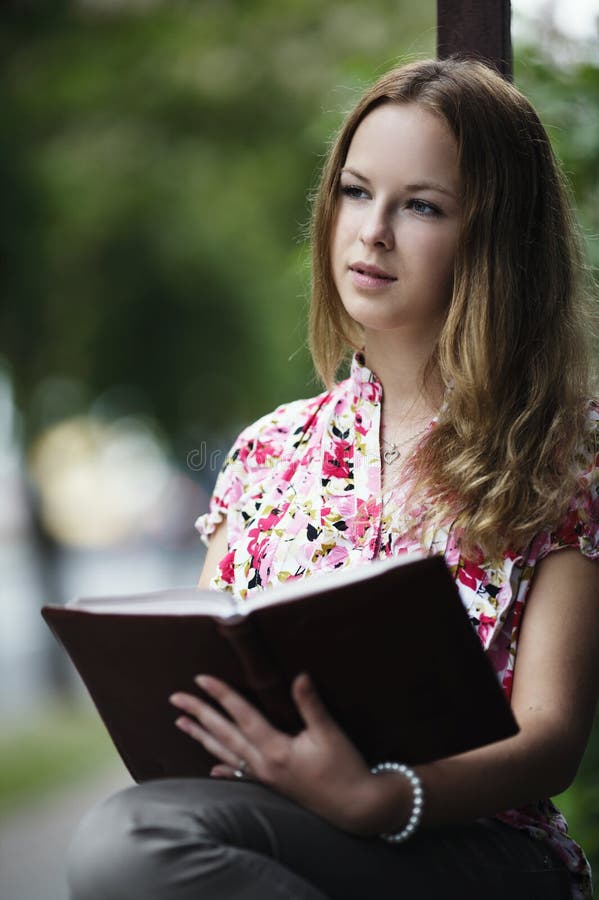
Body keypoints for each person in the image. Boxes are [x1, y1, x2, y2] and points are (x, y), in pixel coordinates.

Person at [66, 56, 599, 900]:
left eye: (420, 205)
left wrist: (378, 798)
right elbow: (208, 664)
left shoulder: (565, 447)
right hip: (288, 833)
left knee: (137, 842)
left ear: (496, 239)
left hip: (479, 854)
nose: (372, 230)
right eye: (355, 192)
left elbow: (551, 740)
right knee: (137, 834)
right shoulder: (266, 452)